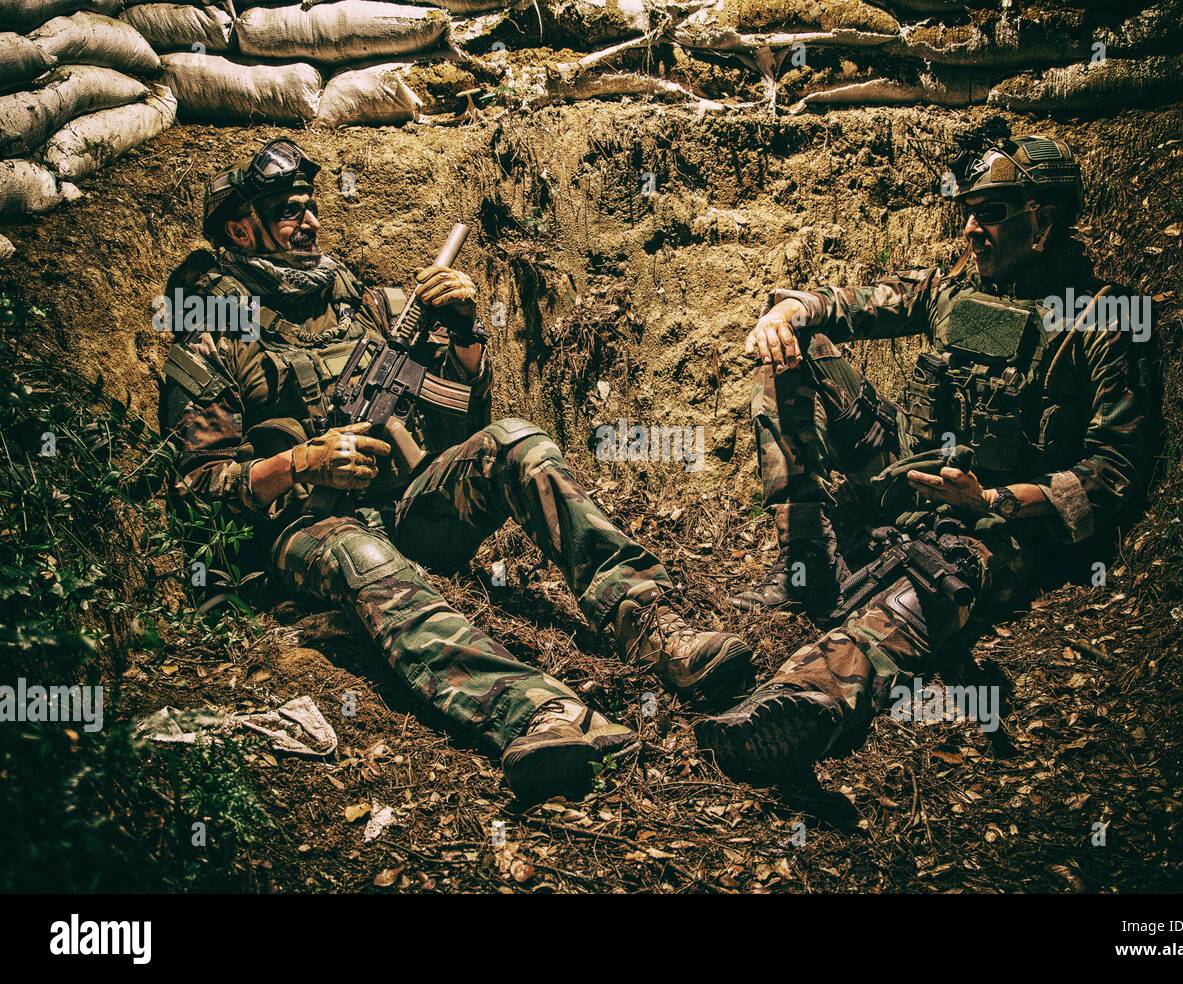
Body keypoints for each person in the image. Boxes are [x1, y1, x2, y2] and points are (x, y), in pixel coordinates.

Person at [159, 138, 751, 803]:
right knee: (362, 556)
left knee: (519, 442)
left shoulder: (359, 303)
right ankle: (540, 714)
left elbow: (459, 428)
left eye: (311, 207)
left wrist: (466, 333)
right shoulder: (210, 327)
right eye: (290, 211)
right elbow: (197, 489)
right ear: (241, 226)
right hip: (308, 530)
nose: (311, 222)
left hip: (406, 511)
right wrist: (301, 462)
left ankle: (657, 628)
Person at [697, 131, 1159, 781]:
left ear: (1044, 220)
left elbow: (1114, 473)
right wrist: (790, 310)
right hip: (909, 481)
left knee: (928, 594)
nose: (971, 228)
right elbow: (854, 306)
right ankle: (806, 566)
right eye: (968, 211)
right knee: (798, 347)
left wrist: (995, 500)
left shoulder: (1106, 319)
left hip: (996, 528)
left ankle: (798, 701)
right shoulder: (953, 294)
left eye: (992, 212)